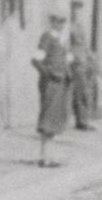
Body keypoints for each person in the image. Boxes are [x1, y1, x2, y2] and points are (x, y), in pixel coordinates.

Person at [32, 14, 74, 165]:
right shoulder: (47, 37)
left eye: (63, 21)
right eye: (57, 21)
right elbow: (36, 60)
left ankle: (51, 157)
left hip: (61, 84)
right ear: (51, 22)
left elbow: (67, 60)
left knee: (55, 119)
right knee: (48, 119)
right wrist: (49, 74)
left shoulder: (62, 40)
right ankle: (45, 157)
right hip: (51, 84)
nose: (60, 25)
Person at [69, 14, 98, 132]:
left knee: (86, 95)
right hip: (78, 69)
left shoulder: (83, 45)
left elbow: (88, 52)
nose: (81, 36)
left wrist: (91, 59)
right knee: (80, 95)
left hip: (86, 69)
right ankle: (81, 121)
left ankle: (84, 120)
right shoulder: (73, 46)